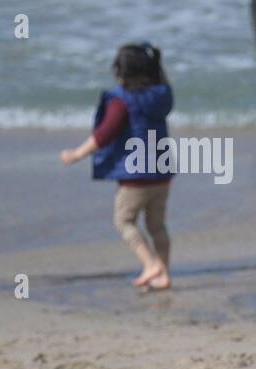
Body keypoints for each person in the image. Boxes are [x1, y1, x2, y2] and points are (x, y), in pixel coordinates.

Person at [60, 42, 175, 290]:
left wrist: (77, 154)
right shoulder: (162, 94)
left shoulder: (122, 100)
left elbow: (105, 133)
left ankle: (151, 264)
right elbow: (160, 78)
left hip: (135, 177)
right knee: (157, 225)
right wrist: (158, 60)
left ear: (120, 71)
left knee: (124, 221)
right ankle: (163, 275)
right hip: (162, 174)